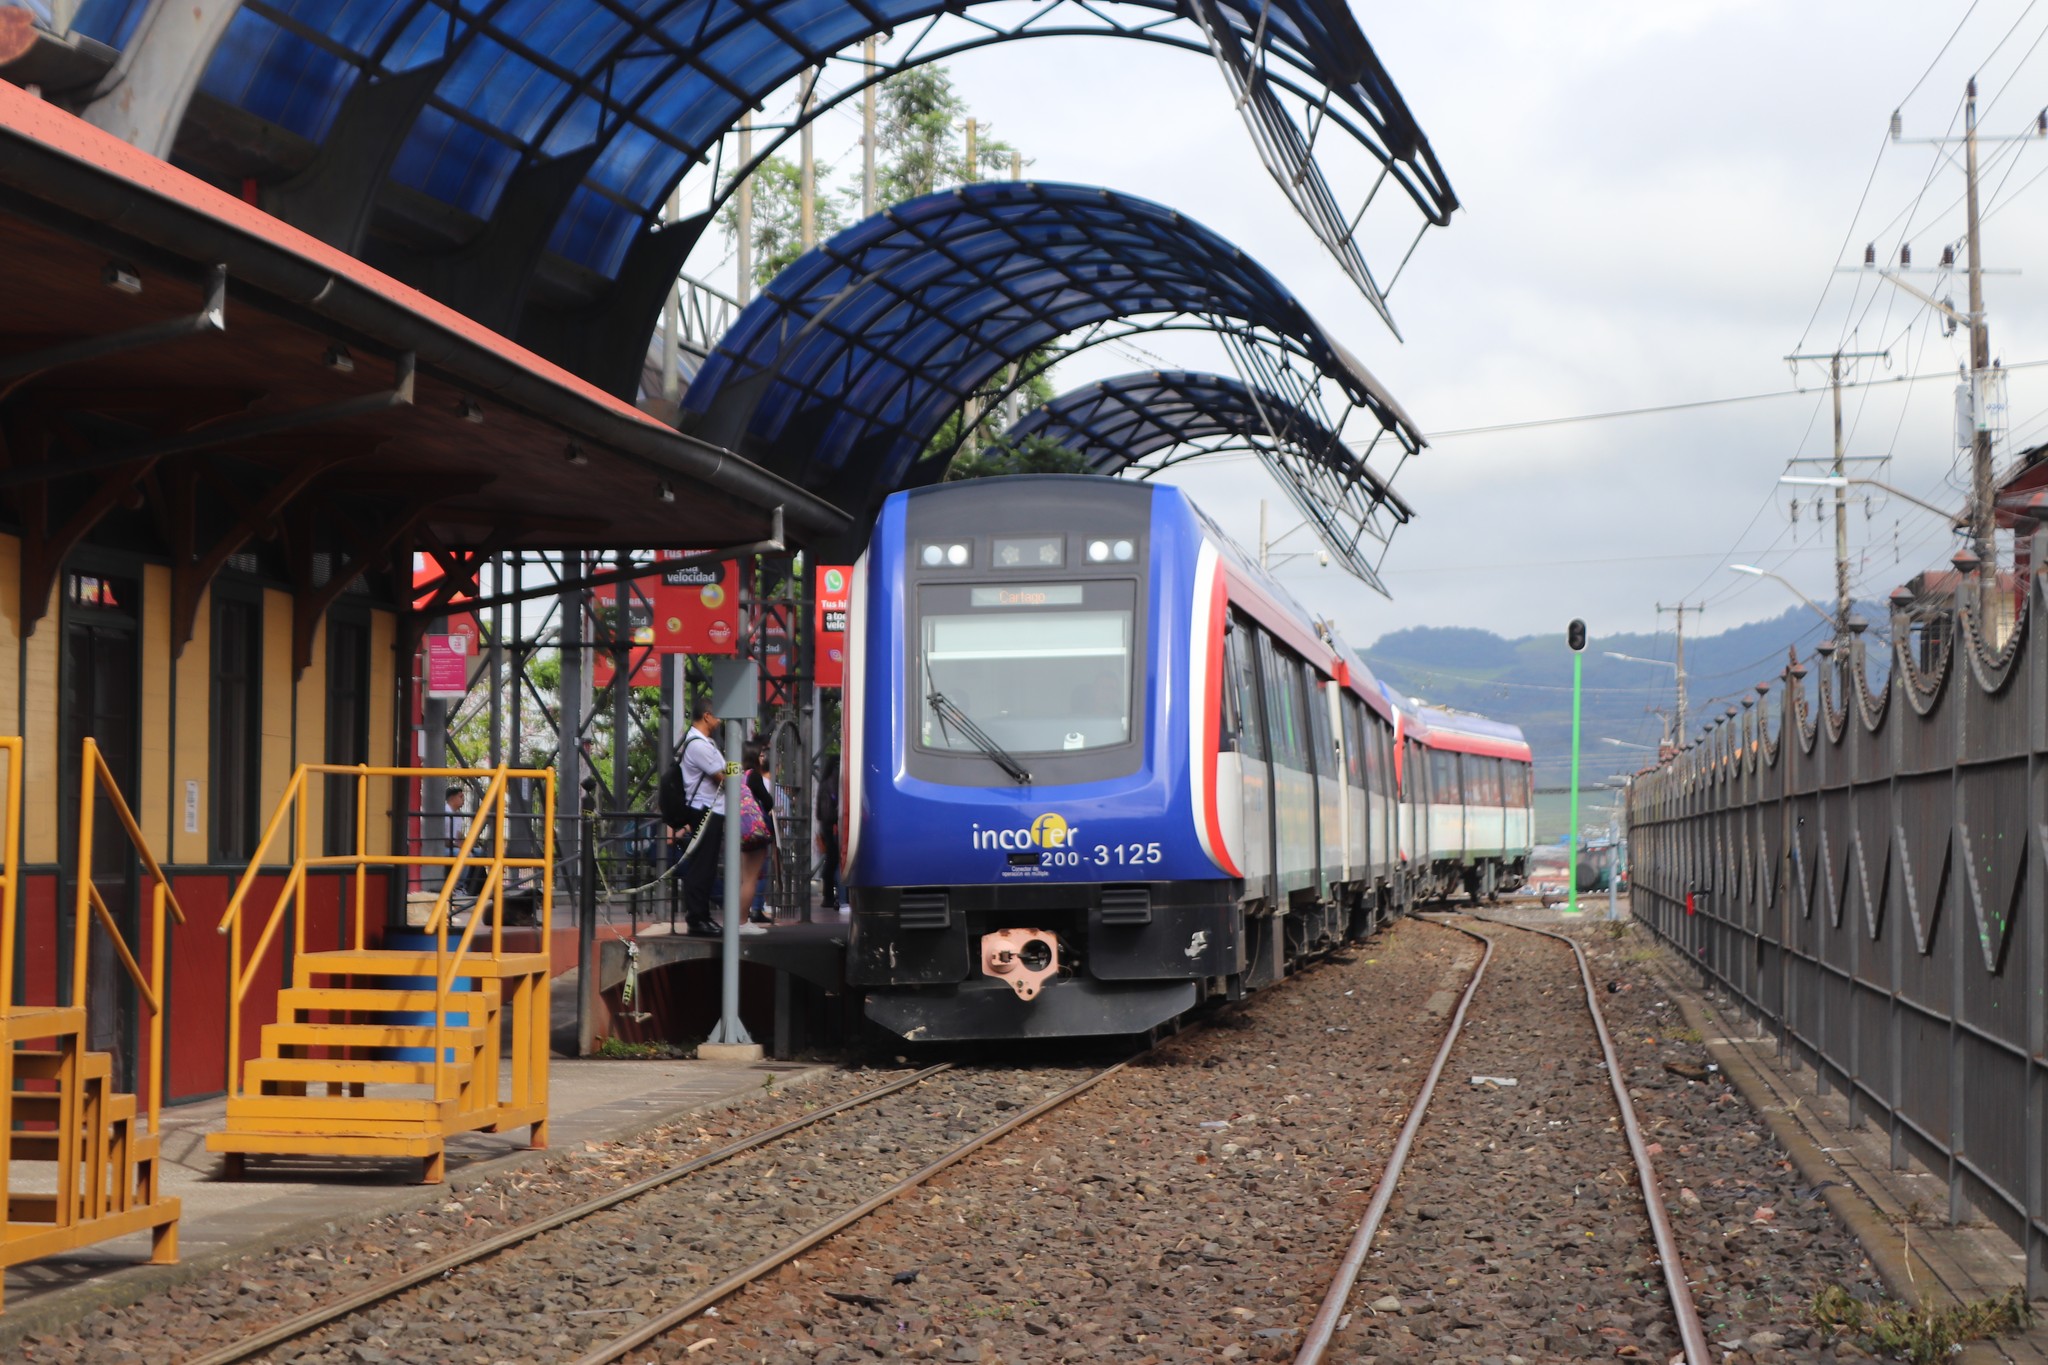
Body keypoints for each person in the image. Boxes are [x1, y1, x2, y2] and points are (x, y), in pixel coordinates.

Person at [670, 704, 727, 936]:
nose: (721, 721)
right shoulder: (698, 746)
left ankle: (702, 915)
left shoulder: (705, 743)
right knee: (702, 865)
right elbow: (722, 775)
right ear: (707, 716)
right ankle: (696, 917)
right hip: (704, 809)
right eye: (718, 716)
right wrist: (736, 771)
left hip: (712, 809)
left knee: (708, 865)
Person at [741, 742, 777, 926]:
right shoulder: (753, 776)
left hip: (738, 830)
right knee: (751, 878)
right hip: (754, 830)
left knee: (741, 878)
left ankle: (738, 920)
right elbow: (768, 800)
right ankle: (742, 921)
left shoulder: (734, 773)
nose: (763, 758)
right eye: (761, 755)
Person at [815, 752, 842, 912]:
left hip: (826, 825)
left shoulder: (824, 781)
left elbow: (820, 811)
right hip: (833, 825)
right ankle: (831, 896)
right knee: (834, 861)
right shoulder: (834, 780)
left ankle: (828, 896)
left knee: (830, 861)